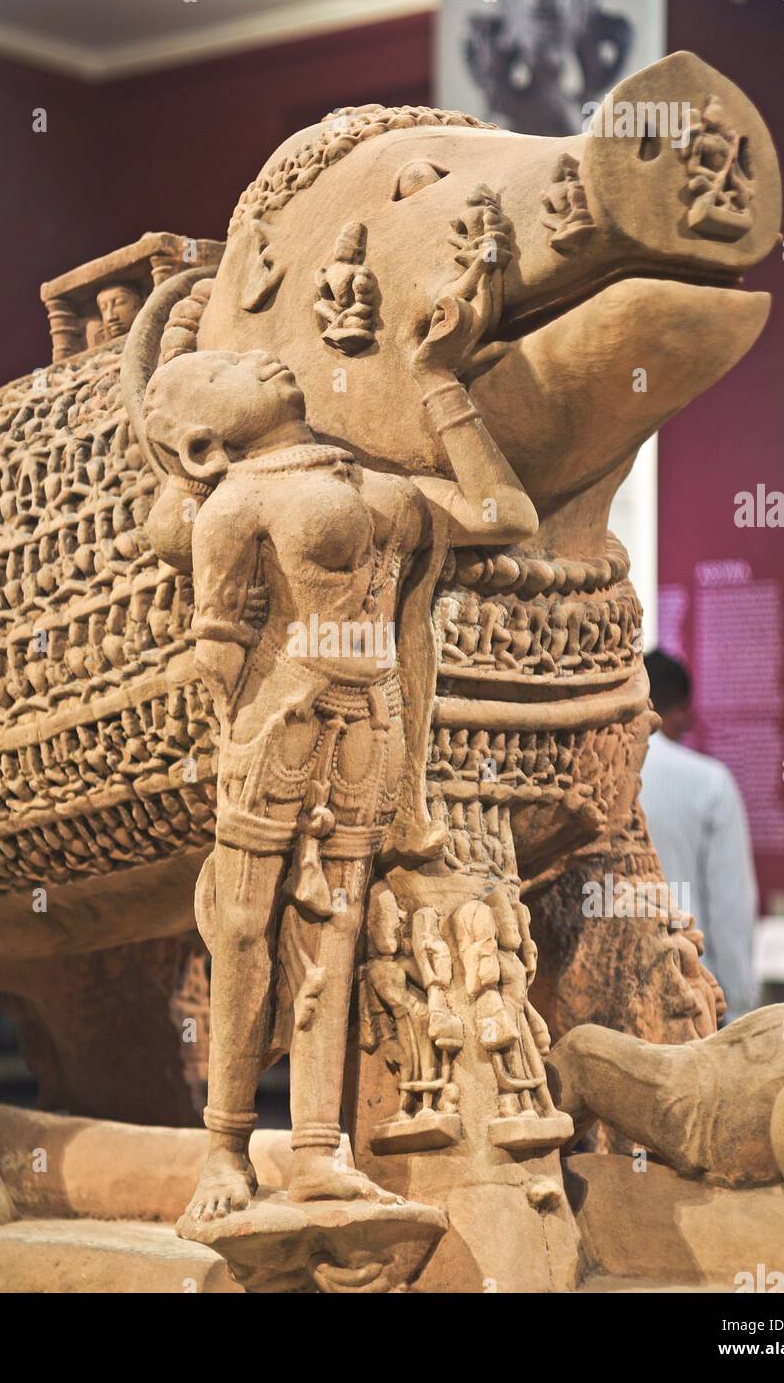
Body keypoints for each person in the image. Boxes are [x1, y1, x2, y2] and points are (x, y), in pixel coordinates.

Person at [142, 282, 537, 1219]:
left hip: (371, 729)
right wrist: (260, 729)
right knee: (241, 934)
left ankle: (317, 1148)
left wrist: (436, 377)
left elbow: (501, 512)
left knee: (336, 932)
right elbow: (216, 648)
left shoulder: (384, 489)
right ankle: (225, 1151)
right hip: (279, 729)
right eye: (228, 372)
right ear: (205, 444)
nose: (259, 358)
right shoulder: (236, 501)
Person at [640, 649, 759, 1022]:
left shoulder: (585, 773)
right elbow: (730, 905)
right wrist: (739, 1006)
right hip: (691, 987)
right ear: (674, 710)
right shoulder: (709, 783)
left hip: (602, 986)